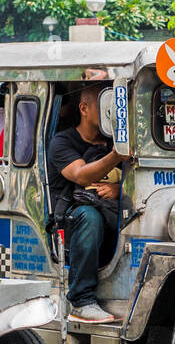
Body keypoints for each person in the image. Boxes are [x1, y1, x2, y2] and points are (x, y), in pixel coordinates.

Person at [48, 85, 125, 323]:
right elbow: (81, 175)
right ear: (84, 108)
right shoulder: (62, 142)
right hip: (72, 214)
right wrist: (117, 155)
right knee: (88, 216)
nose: (111, 112)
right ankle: (81, 300)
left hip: (112, 209)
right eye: (105, 106)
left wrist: (118, 189)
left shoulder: (111, 142)